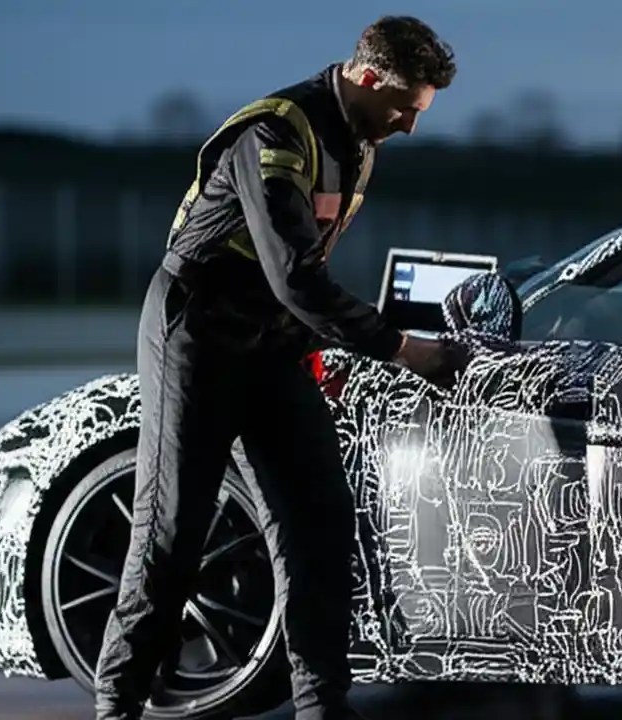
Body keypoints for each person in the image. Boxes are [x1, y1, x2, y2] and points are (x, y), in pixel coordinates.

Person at [95, 16, 458, 720]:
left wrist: (317, 348)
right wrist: (403, 350)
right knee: (172, 535)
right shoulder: (277, 133)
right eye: (404, 109)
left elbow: (297, 280)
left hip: (271, 339)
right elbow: (294, 276)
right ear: (367, 77)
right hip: (196, 331)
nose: (410, 127)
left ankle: (322, 706)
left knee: (321, 520)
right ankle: (117, 707)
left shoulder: (360, 139)